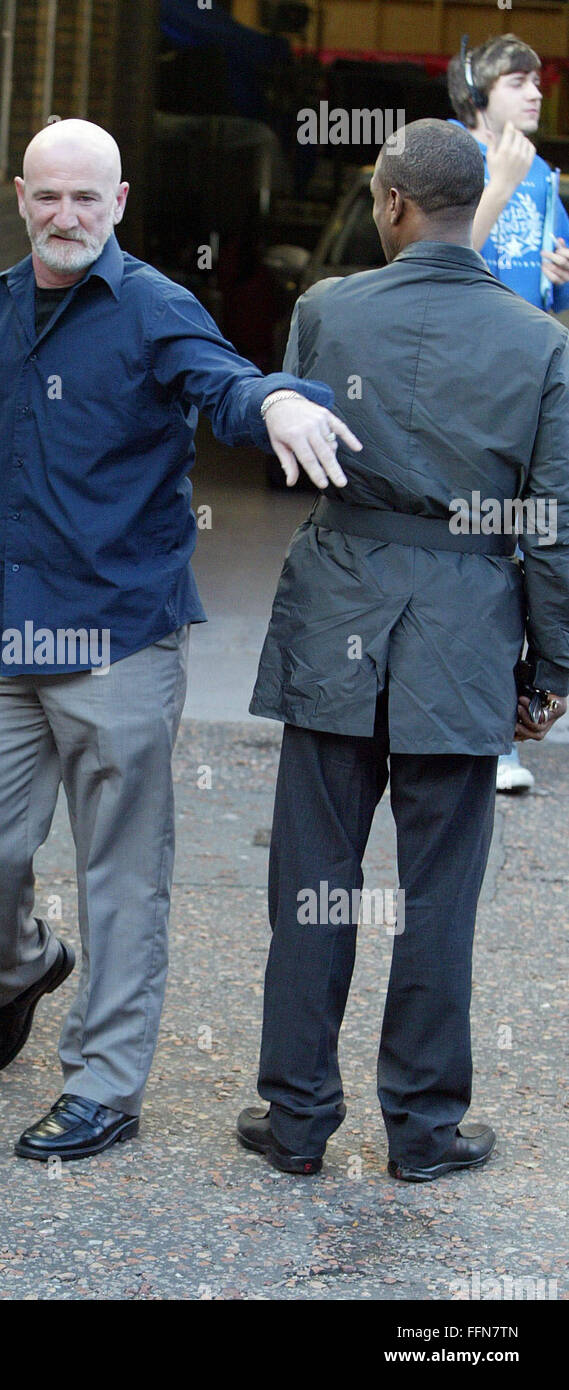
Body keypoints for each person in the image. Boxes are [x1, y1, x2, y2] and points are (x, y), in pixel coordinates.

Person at [0, 117, 360, 1161]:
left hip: (119, 637)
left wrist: (277, 406)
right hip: (7, 632)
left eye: (87, 198)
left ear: (117, 204)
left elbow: (224, 383)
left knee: (121, 872)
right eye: (48, 196)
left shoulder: (153, 307)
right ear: (21, 196)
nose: (65, 215)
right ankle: (21, 967)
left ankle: (103, 1085)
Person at [241, 119, 569, 1182]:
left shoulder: (325, 308)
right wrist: (550, 668)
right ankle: (421, 1132)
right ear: (476, 202)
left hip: (339, 604)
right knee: (435, 897)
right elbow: (551, 522)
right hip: (463, 625)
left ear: (386, 202)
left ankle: (295, 1122)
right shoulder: (538, 340)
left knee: (312, 884)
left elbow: (289, 455)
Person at [448, 32, 569, 792]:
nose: (533, 94)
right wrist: (495, 185)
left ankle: (504, 731)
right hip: (463, 384)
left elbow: (546, 295)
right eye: (516, 81)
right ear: (477, 93)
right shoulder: (450, 161)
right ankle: (471, 733)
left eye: (537, 82)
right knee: (473, 556)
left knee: (528, 558)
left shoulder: (546, 175)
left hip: (528, 378)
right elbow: (435, 257)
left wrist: (561, 275)